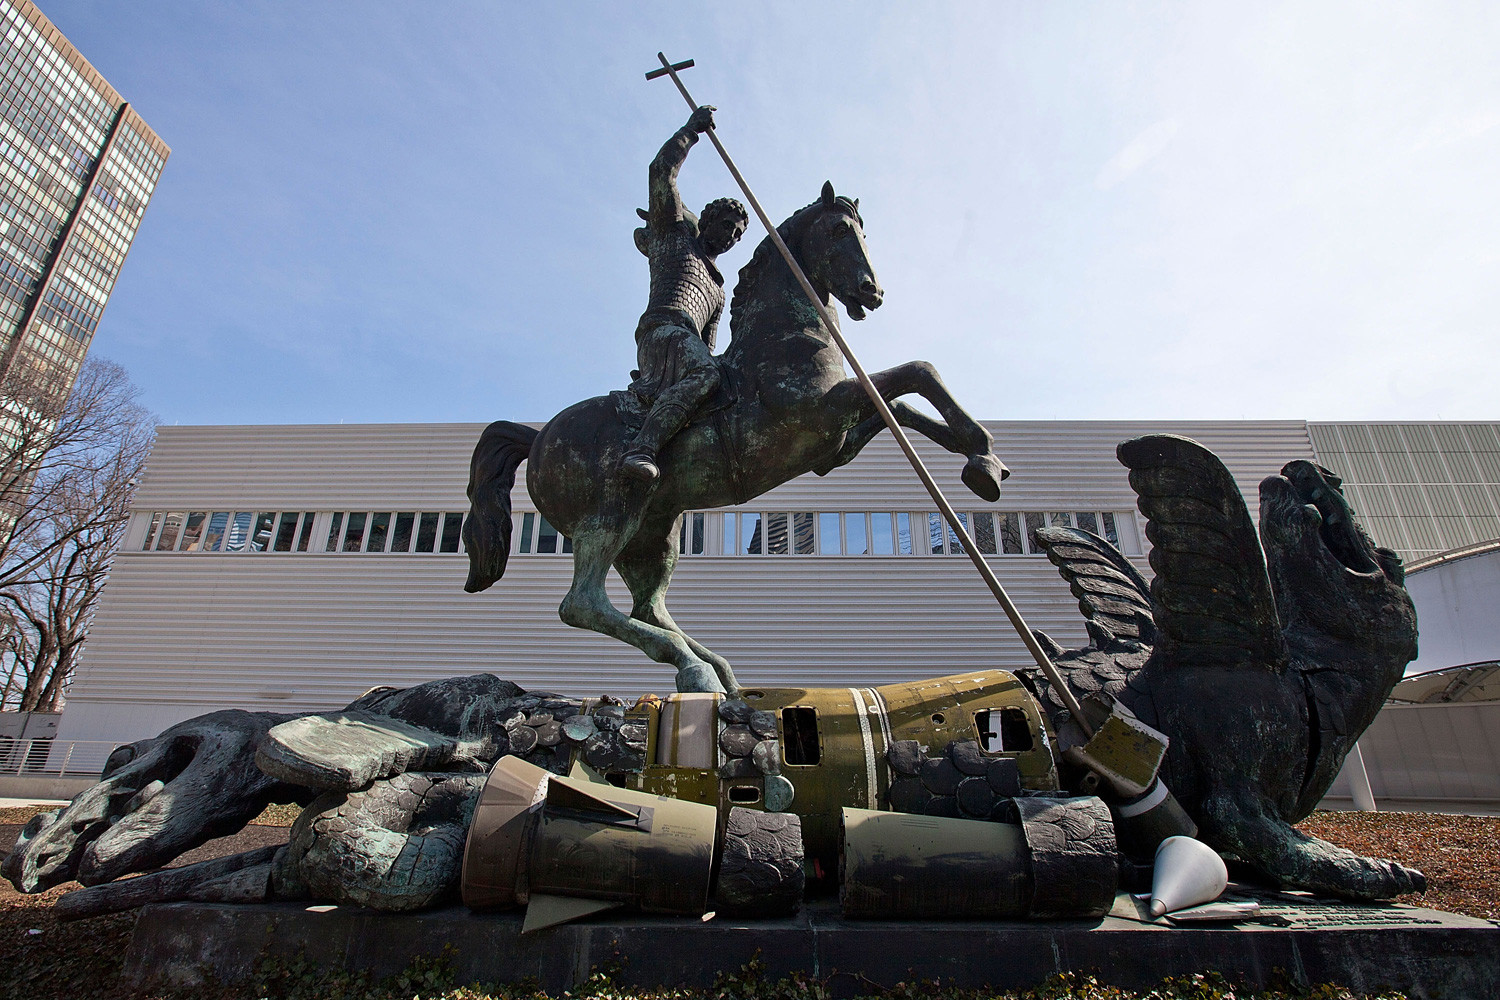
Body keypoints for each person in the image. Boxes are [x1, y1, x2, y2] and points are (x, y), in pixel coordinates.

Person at [619, 105, 749, 483]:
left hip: (688, 346)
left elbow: (708, 346)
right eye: (728, 225)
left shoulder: (718, 289)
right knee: (706, 373)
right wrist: (691, 131)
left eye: (738, 234)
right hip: (661, 333)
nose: (731, 236)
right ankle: (641, 448)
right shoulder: (673, 235)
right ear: (707, 219)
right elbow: (660, 172)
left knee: (719, 379)